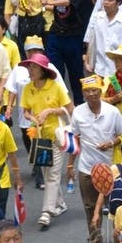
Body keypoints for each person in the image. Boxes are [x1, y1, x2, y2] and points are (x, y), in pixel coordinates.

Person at [69, 74, 122, 243]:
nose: (92, 94)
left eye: (95, 90)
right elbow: (74, 139)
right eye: (88, 91)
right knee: (89, 206)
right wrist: (70, 164)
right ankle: (95, 241)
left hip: (111, 168)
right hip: (86, 168)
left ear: (100, 91)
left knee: (118, 206)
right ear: (83, 93)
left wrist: (110, 143)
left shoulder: (112, 112)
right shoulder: (77, 112)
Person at [21, 51, 73, 232]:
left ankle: (47, 211)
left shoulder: (55, 87)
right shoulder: (28, 88)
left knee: (52, 175)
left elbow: (68, 109)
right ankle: (59, 203)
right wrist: (33, 118)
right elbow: (25, 110)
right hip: (39, 138)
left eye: (34, 67)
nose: (31, 70)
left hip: (56, 137)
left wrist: (50, 111)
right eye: (30, 67)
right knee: (46, 171)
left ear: (43, 70)